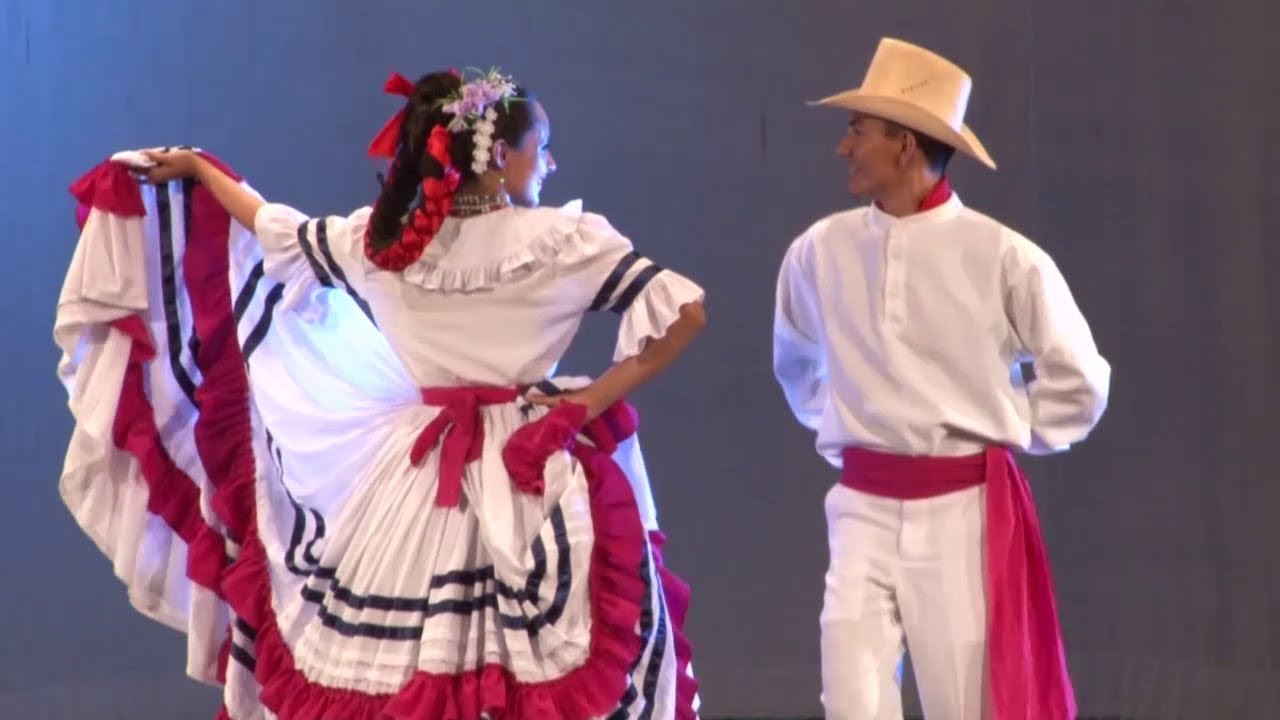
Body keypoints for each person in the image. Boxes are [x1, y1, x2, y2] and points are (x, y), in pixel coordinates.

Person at [56, 67, 704, 719]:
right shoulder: (566, 242)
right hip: (529, 469)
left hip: (409, 484)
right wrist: (585, 405)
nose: (551, 162)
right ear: (499, 155)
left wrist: (200, 170)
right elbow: (683, 312)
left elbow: (273, 226)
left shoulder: (385, 243)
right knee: (545, 665)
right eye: (542, 147)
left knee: (391, 665)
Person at [773, 38, 1111, 720]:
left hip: (960, 513)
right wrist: (857, 422)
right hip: (861, 505)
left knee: (966, 703)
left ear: (905, 145)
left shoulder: (1003, 256)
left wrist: (1004, 428)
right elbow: (798, 362)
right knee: (851, 702)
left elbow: (1080, 383)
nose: (844, 146)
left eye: (858, 130)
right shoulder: (820, 250)